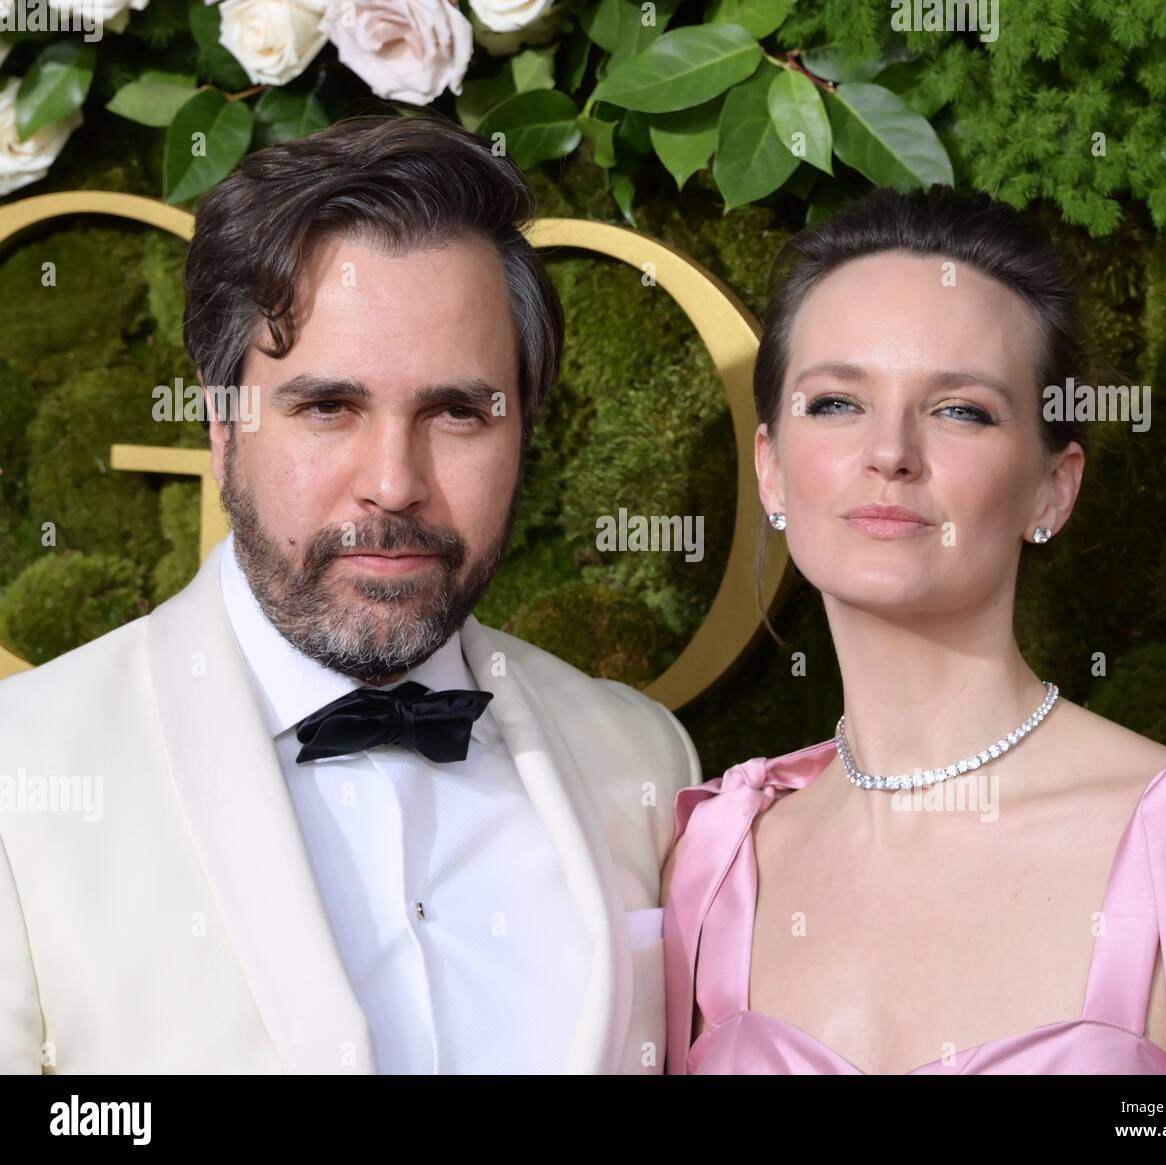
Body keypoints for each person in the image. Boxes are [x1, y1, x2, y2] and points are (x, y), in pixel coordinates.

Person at [0, 114, 698, 1075]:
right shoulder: (20, 773)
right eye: (328, 407)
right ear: (222, 424)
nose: (394, 481)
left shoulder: (642, 759)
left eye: (457, 411)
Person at [660, 187, 1166, 1075]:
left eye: (961, 409)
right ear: (771, 468)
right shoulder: (721, 863)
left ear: (1053, 488)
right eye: (837, 402)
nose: (890, 451)